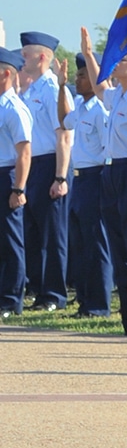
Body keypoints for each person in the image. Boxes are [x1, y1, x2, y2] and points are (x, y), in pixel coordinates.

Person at [18, 31, 71, 312]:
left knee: (53, 235)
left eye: (25, 54)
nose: (21, 59)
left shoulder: (52, 89)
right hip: (33, 165)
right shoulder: (31, 90)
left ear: (41, 57)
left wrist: (60, 176)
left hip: (51, 163)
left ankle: (54, 294)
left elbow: (63, 134)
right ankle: (39, 290)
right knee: (35, 232)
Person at [58, 53, 112, 318]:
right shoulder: (80, 106)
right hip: (78, 178)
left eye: (83, 75)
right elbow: (64, 120)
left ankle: (99, 304)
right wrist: (60, 87)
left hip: (95, 177)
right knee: (80, 244)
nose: (77, 79)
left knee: (97, 243)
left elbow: (107, 149)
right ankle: (85, 301)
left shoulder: (100, 110)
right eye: (77, 75)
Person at [98, 40, 127, 334]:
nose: (116, 65)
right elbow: (98, 83)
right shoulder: (116, 96)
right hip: (111, 169)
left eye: (122, 61)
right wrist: (90, 54)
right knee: (117, 245)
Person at [0, 47, 32, 317]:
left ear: (6, 74)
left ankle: (11, 300)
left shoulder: (14, 109)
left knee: (11, 241)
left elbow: (24, 151)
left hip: (7, 174)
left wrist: (18, 188)